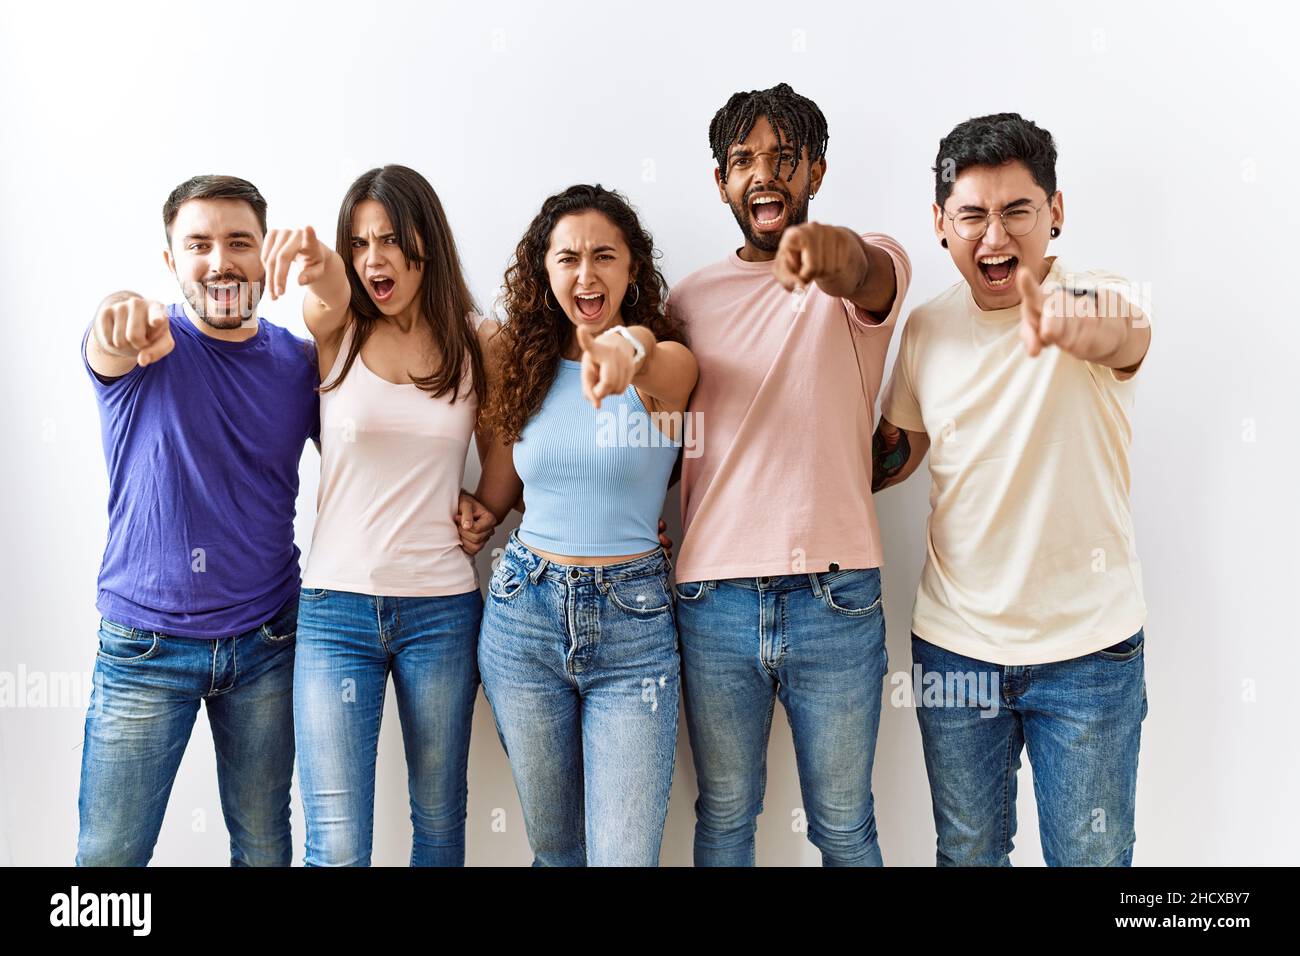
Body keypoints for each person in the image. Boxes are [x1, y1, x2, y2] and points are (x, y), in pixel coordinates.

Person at [873, 112, 1152, 866]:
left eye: (1016, 212)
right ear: (940, 223)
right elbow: (900, 454)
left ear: (1054, 212)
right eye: (972, 216)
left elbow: (1123, 334)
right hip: (956, 652)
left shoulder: (1102, 296)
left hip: (1089, 654)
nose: (993, 238)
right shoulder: (927, 330)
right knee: (967, 854)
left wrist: (1066, 320)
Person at [667, 83, 911, 866]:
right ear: (720, 181)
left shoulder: (867, 266)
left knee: (844, 826)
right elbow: (673, 435)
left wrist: (824, 254)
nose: (763, 174)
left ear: (817, 170)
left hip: (834, 599)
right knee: (727, 820)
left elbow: (860, 270)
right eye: (743, 161)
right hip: (712, 600)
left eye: (783, 158)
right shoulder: (688, 300)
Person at [77, 175, 319, 866]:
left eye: (239, 241)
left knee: (266, 849)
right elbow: (111, 330)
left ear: (265, 254)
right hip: (145, 646)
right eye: (199, 244)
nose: (221, 260)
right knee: (108, 860)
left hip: (268, 640)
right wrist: (116, 313)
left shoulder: (300, 365)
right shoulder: (144, 347)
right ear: (171, 262)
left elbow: (368, 459)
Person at [261, 164, 490, 866]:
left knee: (440, 822)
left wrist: (490, 509)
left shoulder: (477, 340)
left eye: (391, 239)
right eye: (359, 244)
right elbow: (326, 288)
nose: (373, 260)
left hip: (443, 610)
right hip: (336, 612)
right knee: (335, 841)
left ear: (429, 240)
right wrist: (320, 261)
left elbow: (507, 455)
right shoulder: (339, 329)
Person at [471, 184, 698, 866]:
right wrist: (472, 509)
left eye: (605, 256)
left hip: (634, 623)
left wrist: (629, 349)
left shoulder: (665, 363)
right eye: (567, 257)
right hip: (523, 614)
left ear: (633, 270)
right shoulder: (522, 364)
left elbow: (670, 372)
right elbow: (506, 488)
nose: (586, 273)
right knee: (557, 852)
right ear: (544, 271)